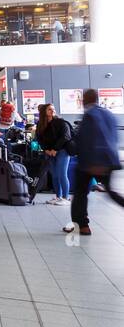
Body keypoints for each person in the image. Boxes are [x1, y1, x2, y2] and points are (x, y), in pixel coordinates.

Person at [64, 89, 122, 237]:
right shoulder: (108, 114)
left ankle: (81, 225)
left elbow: (94, 138)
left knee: (80, 194)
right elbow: (113, 137)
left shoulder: (90, 115)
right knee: (110, 191)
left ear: (85, 99)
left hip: (91, 162)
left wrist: (95, 163)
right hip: (109, 160)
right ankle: (81, 225)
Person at [35, 103, 72, 206]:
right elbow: (39, 138)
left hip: (62, 151)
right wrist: (46, 149)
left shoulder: (60, 122)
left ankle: (66, 197)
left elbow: (66, 136)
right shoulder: (40, 124)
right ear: (44, 112)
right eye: (49, 109)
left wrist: (55, 149)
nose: (52, 111)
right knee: (55, 175)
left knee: (62, 174)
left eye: (53, 109)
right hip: (49, 152)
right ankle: (58, 196)